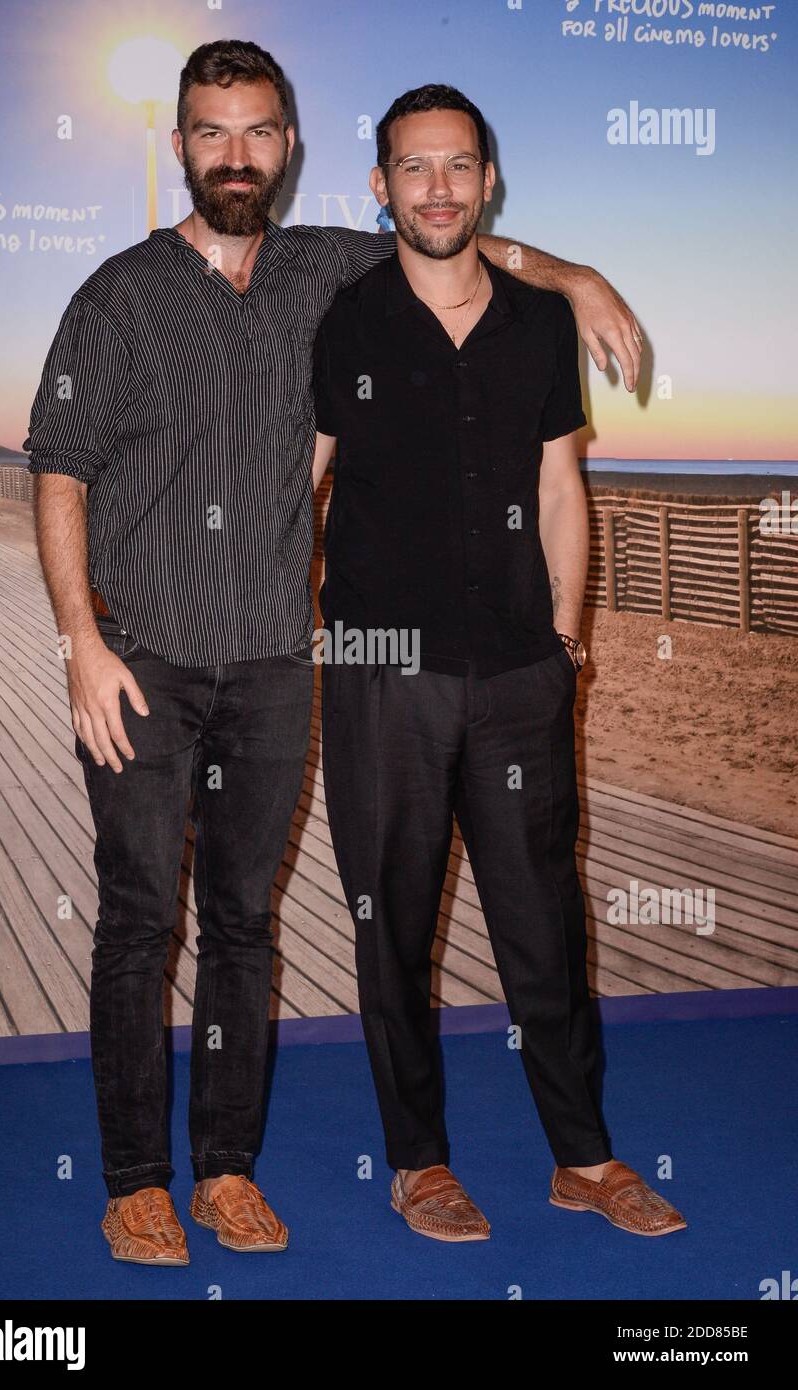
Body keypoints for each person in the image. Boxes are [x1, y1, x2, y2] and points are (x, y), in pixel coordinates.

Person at [24, 39, 643, 1266]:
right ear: (181, 146)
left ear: (290, 148)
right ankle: (136, 1182)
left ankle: (227, 1173)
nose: (236, 154)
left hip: (270, 663)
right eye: (212, 132)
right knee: (140, 923)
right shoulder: (118, 293)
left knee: (244, 926)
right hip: (142, 660)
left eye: (257, 131)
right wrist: (80, 641)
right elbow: (58, 469)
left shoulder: (323, 269)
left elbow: (454, 237)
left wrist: (575, 275)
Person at [312, 83, 686, 1242]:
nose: (438, 187)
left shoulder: (535, 323)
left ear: (488, 180)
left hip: (523, 673)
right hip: (383, 674)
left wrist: (568, 640)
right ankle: (418, 1162)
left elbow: (560, 487)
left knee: (546, 925)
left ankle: (585, 1156)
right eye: (414, 166)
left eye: (458, 165)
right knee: (394, 924)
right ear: (380, 185)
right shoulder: (341, 317)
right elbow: (297, 485)